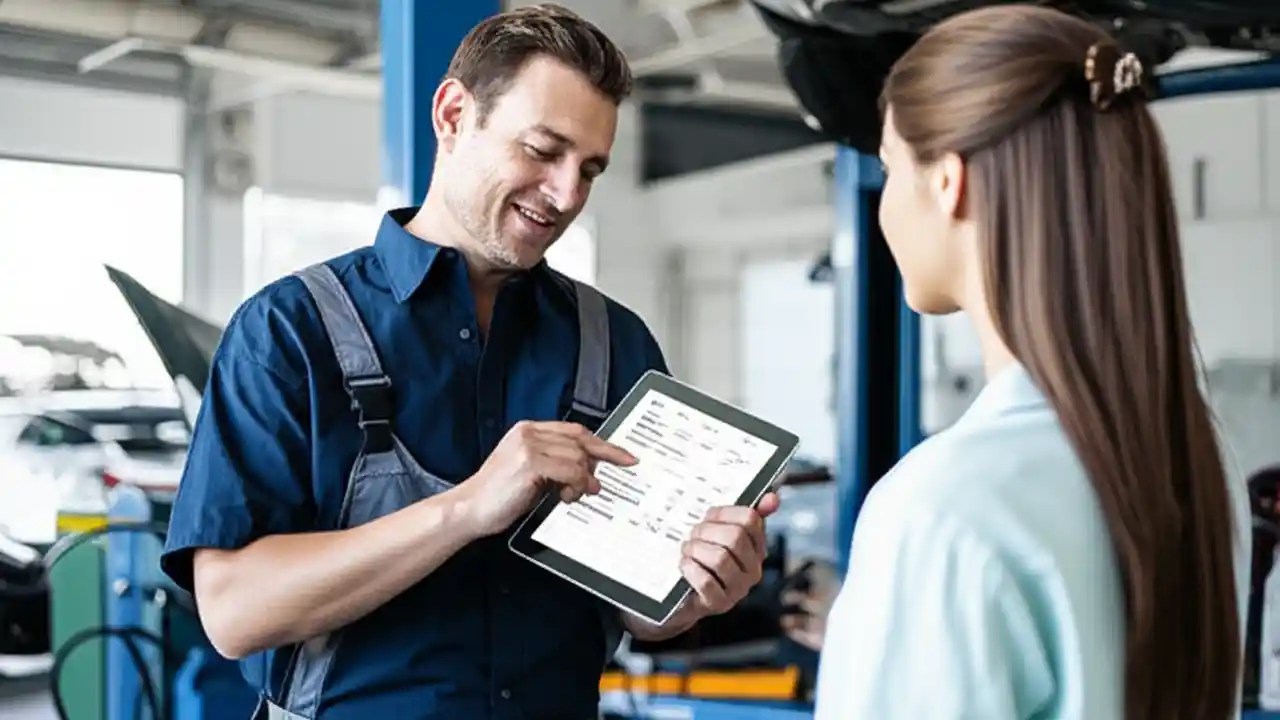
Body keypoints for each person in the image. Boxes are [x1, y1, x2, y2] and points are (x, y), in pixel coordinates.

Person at [158, 5, 778, 719]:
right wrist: (463, 509)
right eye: (543, 151)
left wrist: (697, 592)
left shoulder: (617, 346)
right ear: (453, 114)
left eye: (590, 169)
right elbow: (234, 613)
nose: (567, 195)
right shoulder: (289, 333)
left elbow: (640, 612)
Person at [812, 5, 1251, 720]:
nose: (886, 202)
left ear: (948, 183)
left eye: (891, 167)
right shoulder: (1198, 455)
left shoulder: (943, 506)